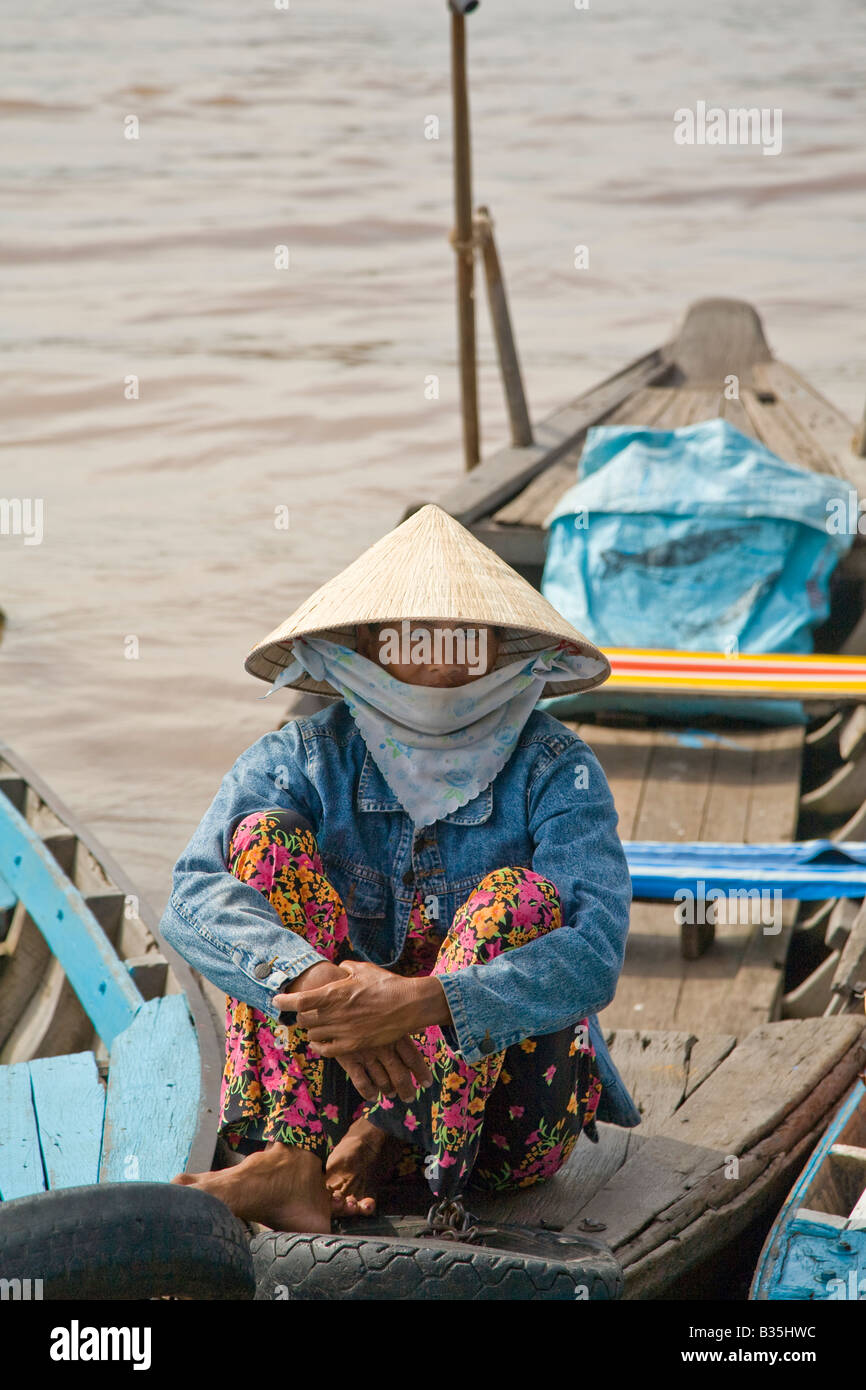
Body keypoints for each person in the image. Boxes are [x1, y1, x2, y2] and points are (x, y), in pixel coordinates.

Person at [160, 503, 640, 1232]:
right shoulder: (305, 755)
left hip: (502, 1134)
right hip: (330, 1089)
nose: (444, 663)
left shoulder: (556, 768)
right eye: (417, 639)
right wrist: (317, 981)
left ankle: (388, 1135)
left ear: (499, 651)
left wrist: (419, 1002)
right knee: (260, 844)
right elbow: (191, 897)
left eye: (466, 640)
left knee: (518, 900)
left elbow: (595, 957)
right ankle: (292, 1157)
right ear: (367, 647)